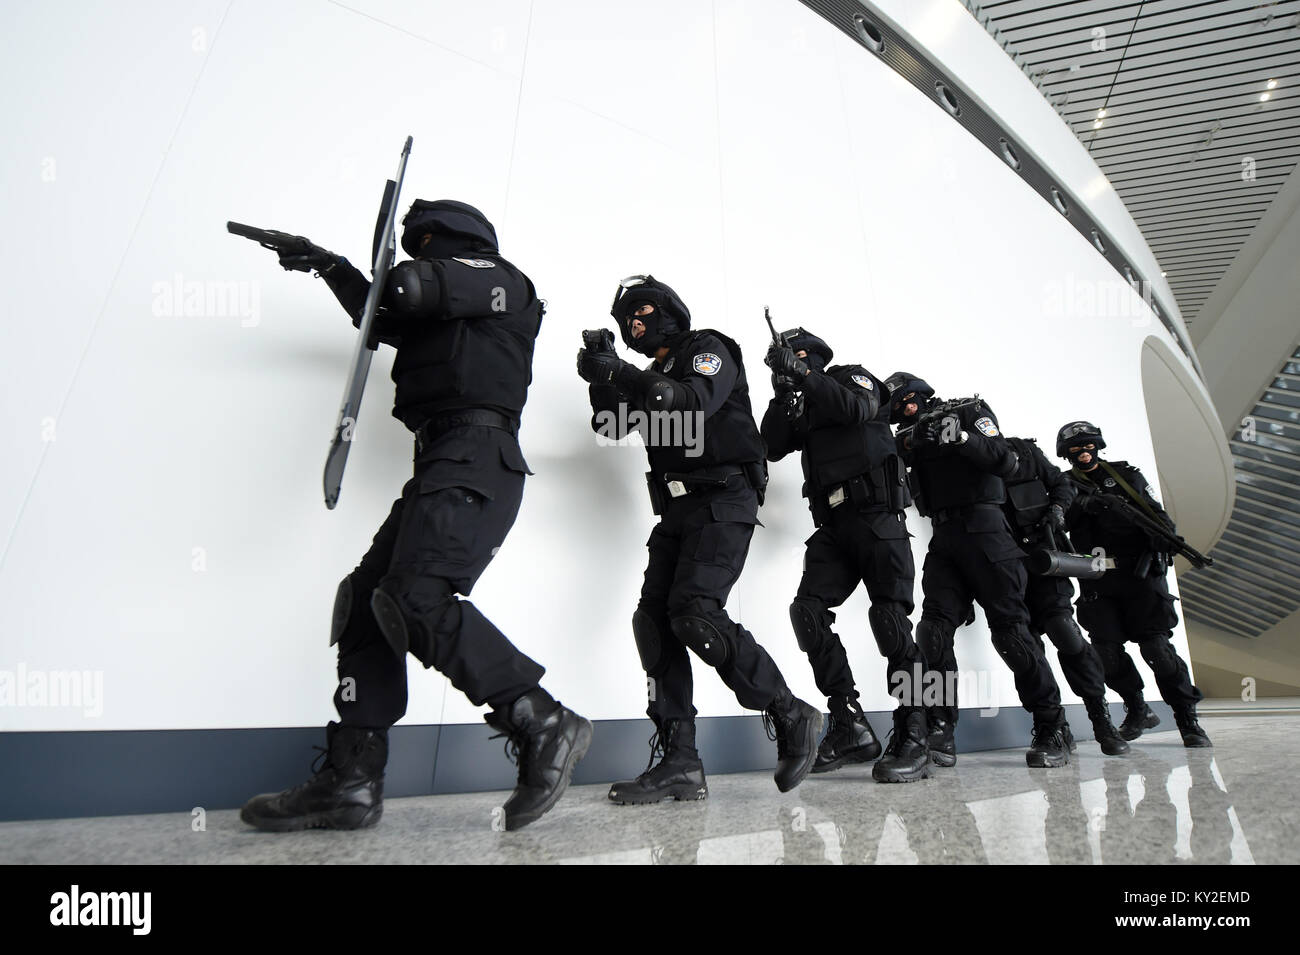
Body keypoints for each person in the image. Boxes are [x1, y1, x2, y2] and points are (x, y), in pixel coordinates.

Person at [240, 199, 591, 833]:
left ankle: (542, 718)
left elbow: (404, 288)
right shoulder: (449, 306)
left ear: (450, 242)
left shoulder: (499, 280)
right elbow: (382, 315)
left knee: (415, 597)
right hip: (439, 461)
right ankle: (350, 782)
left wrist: (391, 271)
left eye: (424, 243)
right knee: (369, 599)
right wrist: (329, 266)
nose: (416, 253)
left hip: (478, 456)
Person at [576, 274, 822, 803]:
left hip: (724, 497)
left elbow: (686, 404)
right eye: (625, 321)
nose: (631, 324)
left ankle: (791, 711)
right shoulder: (648, 377)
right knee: (655, 622)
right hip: (677, 508)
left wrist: (620, 370)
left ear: (668, 312)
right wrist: (602, 375)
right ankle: (680, 762)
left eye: (640, 313)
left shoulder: (709, 349)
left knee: (695, 611)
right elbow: (609, 425)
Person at [761, 328, 929, 783]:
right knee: (808, 613)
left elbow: (858, 408)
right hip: (833, 527)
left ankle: (916, 730)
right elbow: (771, 446)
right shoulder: (807, 404)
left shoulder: (851, 378)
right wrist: (781, 394)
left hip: (878, 518)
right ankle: (849, 722)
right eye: (786, 358)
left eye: (799, 356)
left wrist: (804, 375)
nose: (793, 363)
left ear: (816, 357)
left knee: (891, 623)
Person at [885, 373, 1070, 768]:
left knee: (1011, 632)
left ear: (920, 395)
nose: (905, 411)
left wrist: (962, 437)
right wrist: (913, 439)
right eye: (898, 409)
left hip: (987, 530)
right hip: (944, 535)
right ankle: (940, 725)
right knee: (932, 632)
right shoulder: (911, 437)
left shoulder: (968, 412)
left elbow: (1006, 460)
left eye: (908, 403)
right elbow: (891, 459)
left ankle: (1052, 725)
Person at [1056, 421, 1211, 747]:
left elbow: (1158, 517)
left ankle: (1187, 719)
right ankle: (1137, 707)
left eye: (1089, 447)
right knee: (1106, 652)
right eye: (1076, 450)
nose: (1084, 454)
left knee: (1156, 648)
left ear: (1098, 447)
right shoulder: (1065, 485)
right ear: (1066, 454)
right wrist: (1085, 506)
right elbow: (1059, 523)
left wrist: (1161, 543)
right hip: (1098, 576)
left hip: (1141, 576)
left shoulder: (1127, 477)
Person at [1000, 435, 1129, 755]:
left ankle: (1102, 721)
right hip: (1005, 570)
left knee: (1066, 634)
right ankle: (1053, 726)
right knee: (1024, 649)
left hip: (1046, 559)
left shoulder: (1024, 452)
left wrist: (1057, 509)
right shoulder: (969, 464)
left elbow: (1061, 484)